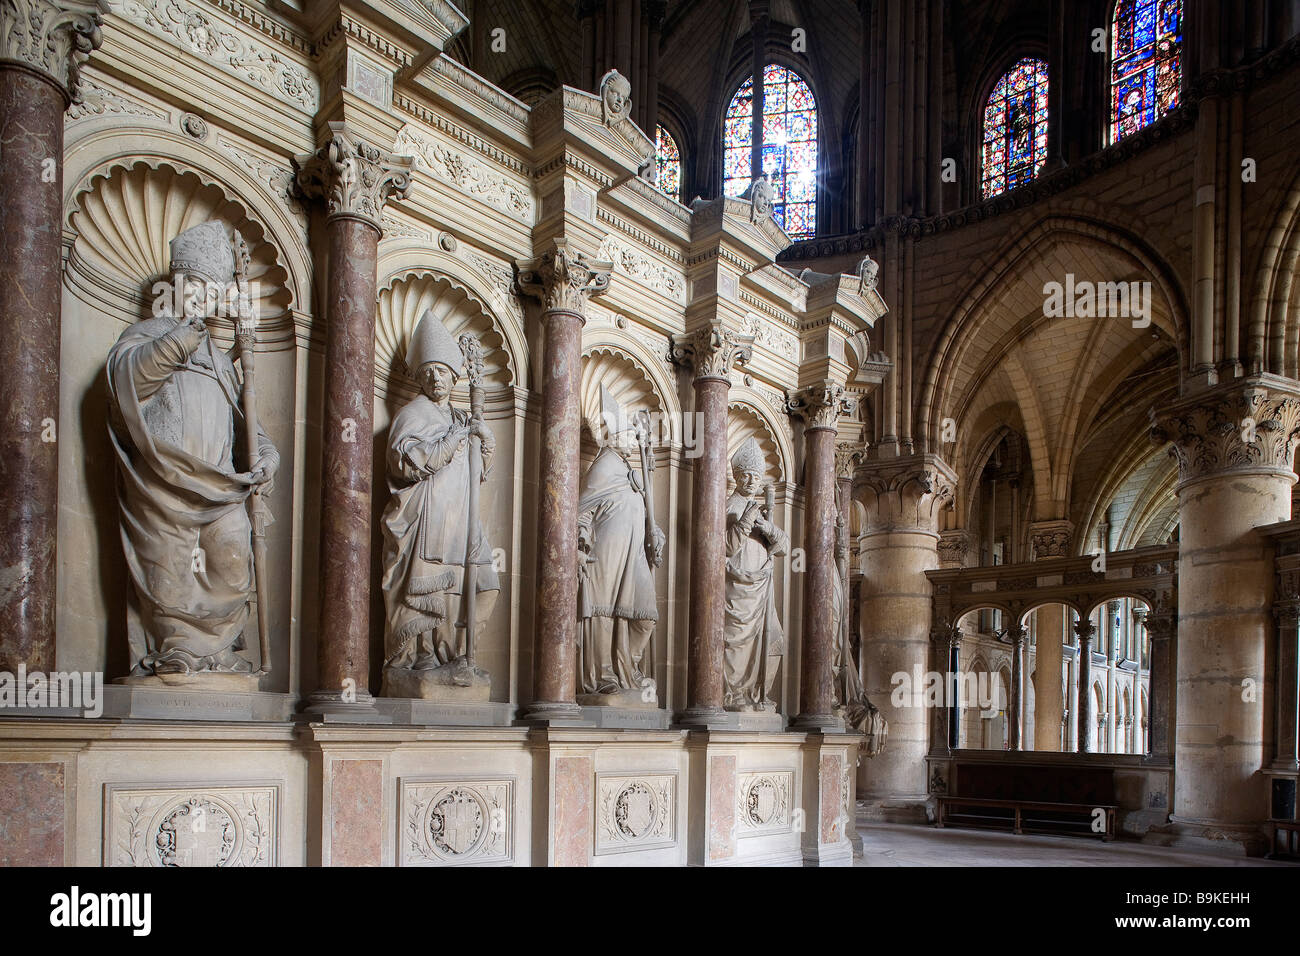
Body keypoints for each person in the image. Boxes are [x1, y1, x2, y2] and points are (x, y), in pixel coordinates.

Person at [107, 220, 278, 677]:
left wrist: (267, 455)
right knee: (170, 569)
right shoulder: (147, 333)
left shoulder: (222, 362)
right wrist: (179, 341)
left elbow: (247, 426)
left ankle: (216, 651)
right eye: (196, 285)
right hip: (163, 481)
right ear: (177, 283)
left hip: (220, 486)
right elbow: (126, 385)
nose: (202, 296)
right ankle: (176, 650)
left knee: (233, 556)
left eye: (211, 290)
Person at [380, 311, 498, 685]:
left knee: (483, 584)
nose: (435, 378)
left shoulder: (463, 418)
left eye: (442, 371)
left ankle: (456, 652)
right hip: (425, 517)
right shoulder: (411, 413)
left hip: (461, 517)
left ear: (453, 376)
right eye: (428, 371)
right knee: (429, 589)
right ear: (419, 377)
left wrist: (485, 442)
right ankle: (421, 658)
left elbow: (477, 473)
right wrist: (450, 442)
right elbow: (404, 462)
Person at [575, 387, 663, 701]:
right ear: (613, 437)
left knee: (645, 614)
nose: (634, 441)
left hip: (634, 553)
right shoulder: (603, 467)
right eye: (628, 436)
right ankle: (602, 676)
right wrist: (580, 544)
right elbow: (581, 510)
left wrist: (655, 532)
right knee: (603, 612)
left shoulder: (630, 472)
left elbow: (641, 512)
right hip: (606, 553)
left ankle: (630, 667)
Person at [723, 438, 787, 710]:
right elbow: (725, 547)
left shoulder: (761, 511)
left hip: (761, 588)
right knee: (736, 643)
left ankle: (758, 692)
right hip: (738, 589)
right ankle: (733, 694)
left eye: (756, 477)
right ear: (737, 476)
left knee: (775, 641)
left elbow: (784, 548)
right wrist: (746, 521)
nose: (751, 481)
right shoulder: (729, 506)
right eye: (746, 475)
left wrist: (769, 529)